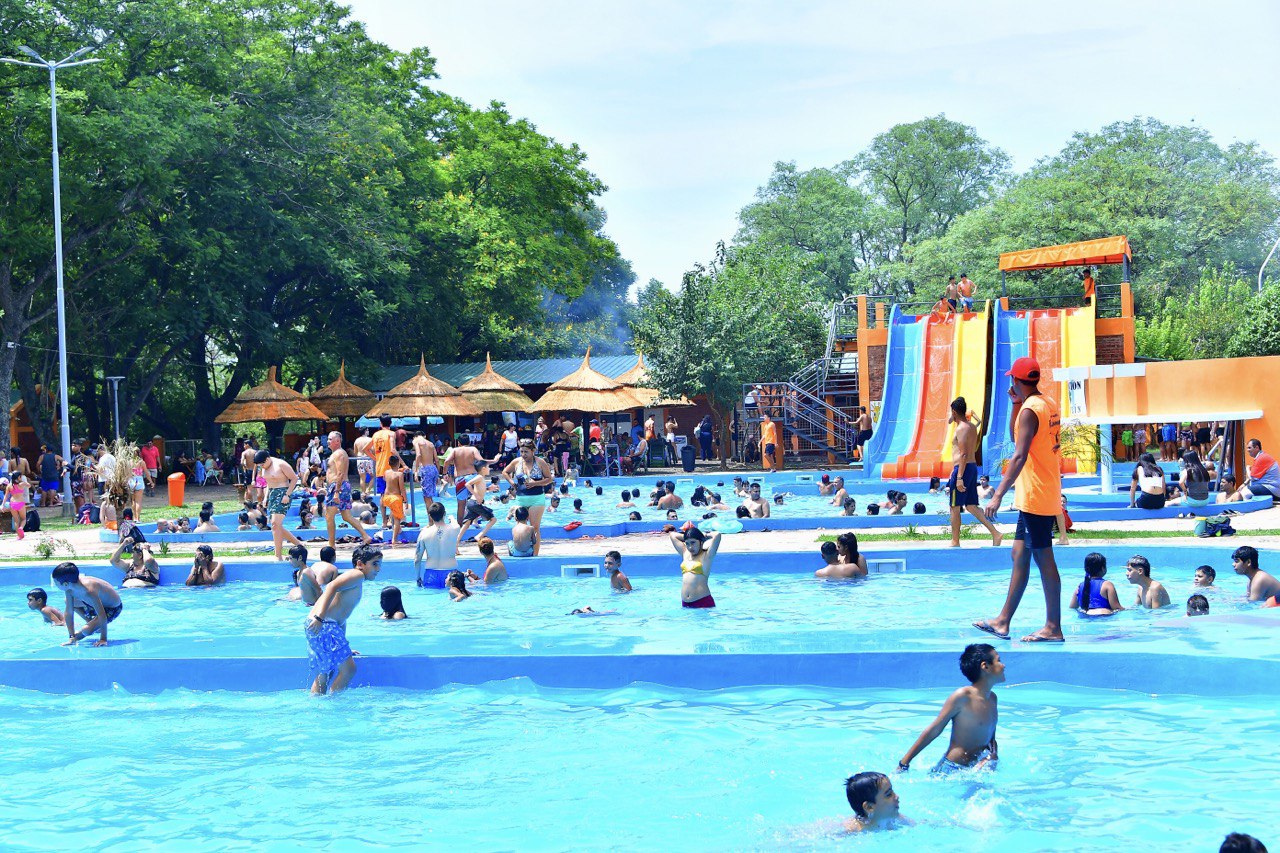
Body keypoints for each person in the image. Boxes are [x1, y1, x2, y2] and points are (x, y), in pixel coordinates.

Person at [975, 356, 1064, 643]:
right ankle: (1003, 621)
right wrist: (1015, 403)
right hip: (1038, 491)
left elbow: (1019, 454)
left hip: (1036, 494)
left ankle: (1053, 627)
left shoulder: (1031, 410)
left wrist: (997, 495)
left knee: (1044, 558)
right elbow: (1022, 440)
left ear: (1016, 379)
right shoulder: (1045, 403)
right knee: (1019, 555)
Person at [898, 643, 1003, 773]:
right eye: (998, 660)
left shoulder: (992, 698)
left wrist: (991, 759)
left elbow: (990, 740)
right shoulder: (962, 696)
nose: (1003, 665)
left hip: (976, 769)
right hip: (951, 769)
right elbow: (935, 729)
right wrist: (904, 762)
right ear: (985, 666)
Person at [304, 543, 383, 694]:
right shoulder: (357, 574)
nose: (378, 569)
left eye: (379, 565)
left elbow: (341, 618)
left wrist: (344, 647)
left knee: (326, 671)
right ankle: (333, 703)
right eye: (374, 564)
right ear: (360, 564)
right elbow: (332, 587)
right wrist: (320, 617)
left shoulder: (355, 580)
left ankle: (317, 701)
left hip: (320, 624)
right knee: (349, 670)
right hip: (323, 623)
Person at [946, 398, 1002, 548]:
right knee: (971, 506)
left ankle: (955, 541)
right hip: (971, 467)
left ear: (954, 412)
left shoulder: (961, 429)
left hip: (962, 469)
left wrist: (958, 478)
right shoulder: (971, 426)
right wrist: (954, 417)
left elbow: (963, 454)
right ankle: (995, 533)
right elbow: (951, 422)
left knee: (954, 506)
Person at [501, 440, 554, 555]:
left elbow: (549, 479)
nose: (523, 454)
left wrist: (535, 483)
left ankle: (535, 554)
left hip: (536, 499)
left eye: (526, 452)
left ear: (533, 451)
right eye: (522, 452)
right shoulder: (517, 462)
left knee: (534, 528)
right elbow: (505, 472)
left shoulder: (540, 462)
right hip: (521, 498)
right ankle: (519, 551)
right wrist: (511, 482)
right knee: (520, 527)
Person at [53, 561, 123, 647]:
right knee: (67, 601)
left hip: (112, 608)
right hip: (95, 604)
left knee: (86, 630)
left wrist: (103, 639)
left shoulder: (89, 591)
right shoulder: (69, 589)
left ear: (65, 584)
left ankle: (89, 629)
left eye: (56, 583)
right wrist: (71, 637)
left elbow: (102, 615)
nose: (56, 585)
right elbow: (69, 613)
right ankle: (91, 623)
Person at [322, 432, 372, 550]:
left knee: (329, 516)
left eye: (330, 439)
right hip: (338, 486)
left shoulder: (339, 454)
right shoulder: (337, 453)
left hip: (338, 487)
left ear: (337, 441)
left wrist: (336, 492)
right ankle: (365, 536)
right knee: (346, 516)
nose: (328, 441)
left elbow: (340, 473)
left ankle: (331, 544)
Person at [255, 449, 303, 561]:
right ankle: (299, 545)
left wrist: (287, 494)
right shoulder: (263, 467)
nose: (262, 466)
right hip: (272, 493)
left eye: (263, 464)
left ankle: (278, 555)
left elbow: (294, 478)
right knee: (276, 525)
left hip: (283, 492)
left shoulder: (280, 464)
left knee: (275, 524)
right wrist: (266, 497)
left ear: (267, 459)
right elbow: (268, 483)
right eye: (260, 465)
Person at [672, 524, 722, 608]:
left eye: (693, 542)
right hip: (685, 603)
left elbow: (717, 535)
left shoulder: (707, 556)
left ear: (701, 542)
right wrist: (689, 535)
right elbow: (673, 535)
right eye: (687, 543)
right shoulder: (685, 553)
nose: (690, 547)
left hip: (702, 602)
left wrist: (704, 535)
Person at [843, 772, 907, 833]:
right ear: (869, 807)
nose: (897, 796)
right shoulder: (852, 830)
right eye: (889, 794)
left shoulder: (895, 818)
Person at [415, 502, 459, 586]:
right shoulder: (454, 529)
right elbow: (455, 523)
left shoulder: (424, 533)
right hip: (451, 575)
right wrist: (452, 518)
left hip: (431, 575)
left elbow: (417, 559)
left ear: (430, 516)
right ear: (444, 514)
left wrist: (418, 578)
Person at [457, 463, 495, 545]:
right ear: (484, 468)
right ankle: (479, 536)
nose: (489, 469)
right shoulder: (479, 477)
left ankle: (456, 543)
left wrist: (488, 489)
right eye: (488, 467)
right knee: (493, 519)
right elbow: (467, 484)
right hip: (475, 503)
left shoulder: (481, 478)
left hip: (472, 503)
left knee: (467, 524)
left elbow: (480, 490)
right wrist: (476, 495)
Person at [369, 415, 397, 519]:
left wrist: (376, 458)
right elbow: (393, 450)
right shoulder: (391, 434)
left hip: (380, 469)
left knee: (382, 495)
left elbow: (365, 449)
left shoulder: (375, 435)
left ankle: (384, 521)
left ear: (380, 424)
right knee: (393, 495)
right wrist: (403, 464)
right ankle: (390, 520)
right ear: (390, 423)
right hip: (391, 469)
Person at [380, 455, 407, 547]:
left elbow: (384, 479)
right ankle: (394, 539)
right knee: (397, 519)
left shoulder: (386, 472)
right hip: (395, 497)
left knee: (393, 512)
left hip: (386, 497)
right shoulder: (399, 474)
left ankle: (397, 529)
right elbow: (402, 489)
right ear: (398, 464)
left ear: (388, 464)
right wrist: (405, 501)